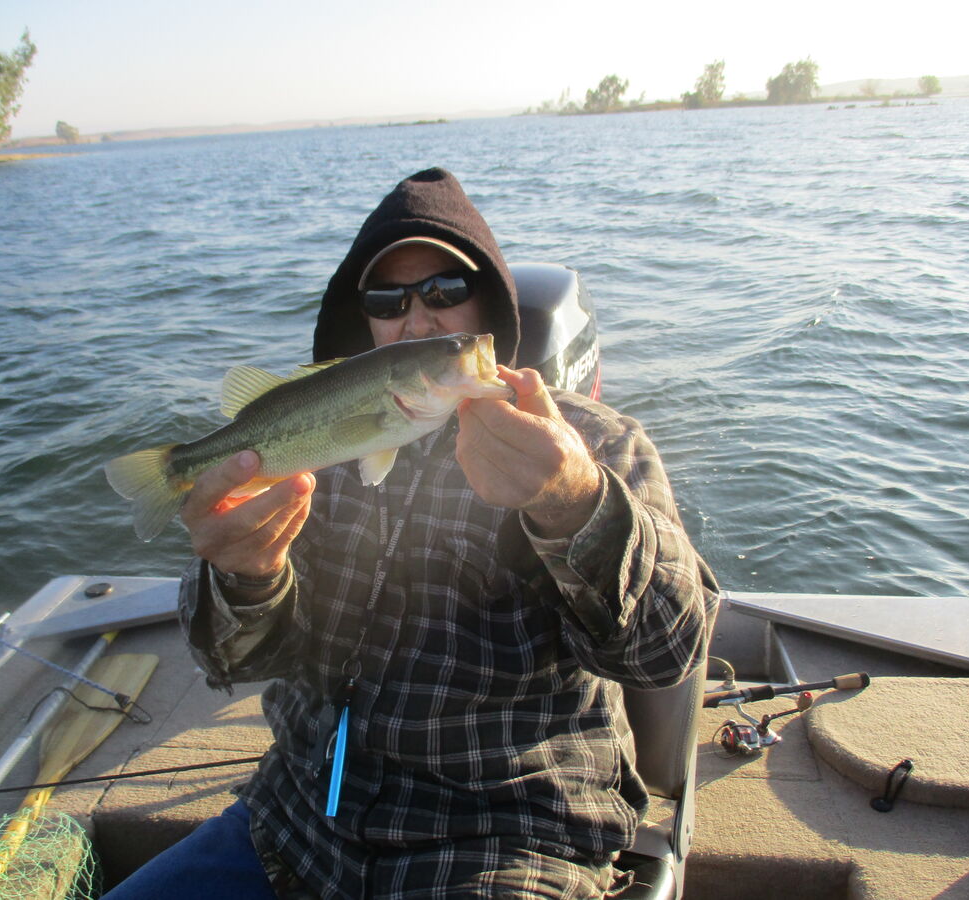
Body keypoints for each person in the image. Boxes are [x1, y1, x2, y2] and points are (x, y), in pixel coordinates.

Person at [105, 168, 718, 899]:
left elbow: (669, 648)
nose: (418, 320)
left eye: (444, 290)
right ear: (364, 321)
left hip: (509, 838)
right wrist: (245, 575)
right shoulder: (315, 457)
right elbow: (234, 661)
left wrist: (574, 503)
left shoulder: (591, 444)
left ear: (488, 302)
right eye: (387, 299)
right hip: (296, 822)